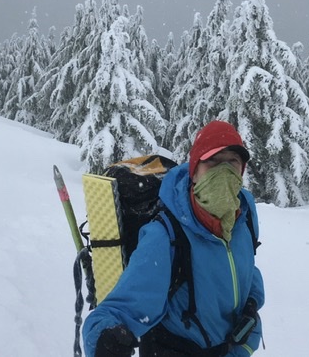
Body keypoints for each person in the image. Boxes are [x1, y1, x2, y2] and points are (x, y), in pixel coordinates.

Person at [83, 120, 265, 357]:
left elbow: (245, 266)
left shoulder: (244, 215)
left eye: (232, 162)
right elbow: (120, 308)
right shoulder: (166, 235)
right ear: (195, 172)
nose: (224, 172)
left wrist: (252, 303)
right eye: (213, 162)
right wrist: (105, 338)